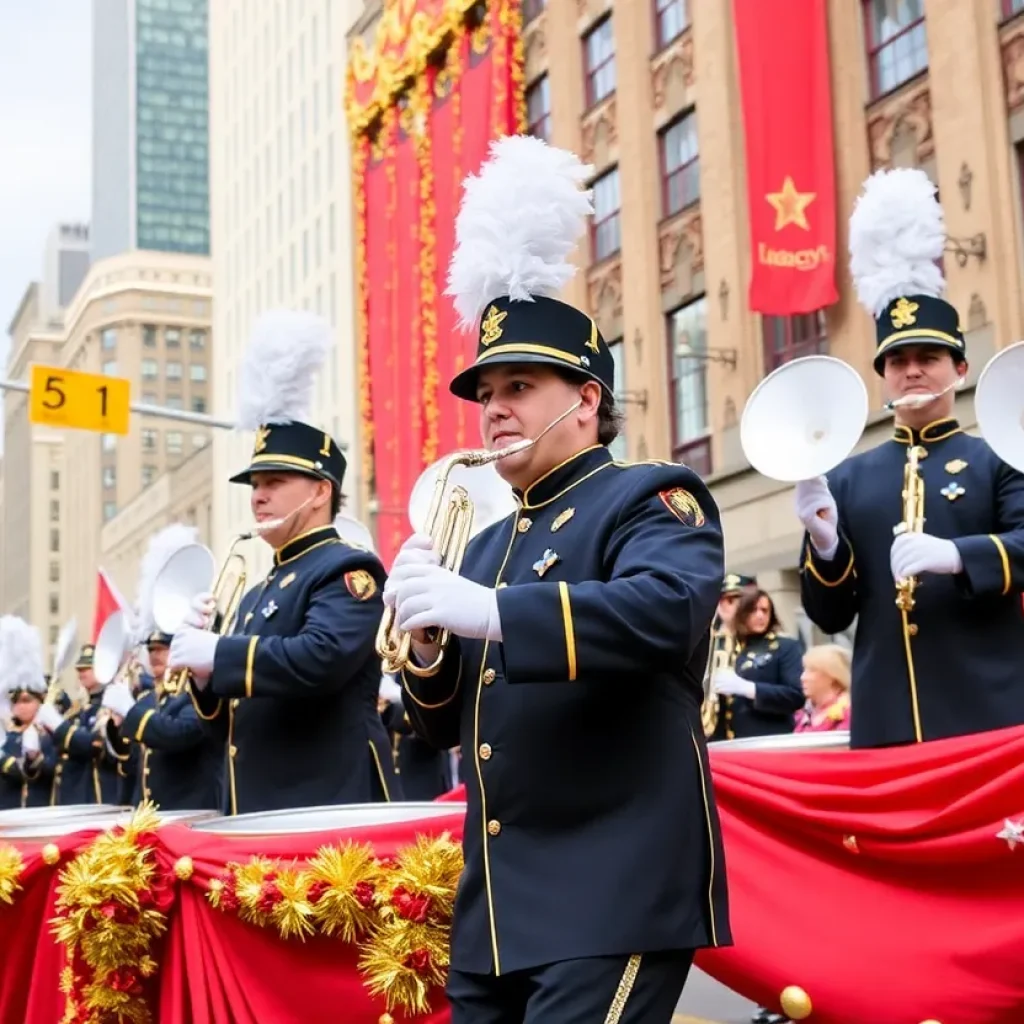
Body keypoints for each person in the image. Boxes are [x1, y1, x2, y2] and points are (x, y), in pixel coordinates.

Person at [387, 136, 730, 1023]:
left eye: (520, 386)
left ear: (585, 400)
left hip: (611, 886)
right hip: (499, 905)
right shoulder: (482, 540)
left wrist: (493, 610)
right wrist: (426, 643)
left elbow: (667, 613)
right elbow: (438, 728)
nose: (495, 407)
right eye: (486, 391)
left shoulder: (650, 495)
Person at [796, 167, 1024, 749]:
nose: (912, 370)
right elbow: (830, 612)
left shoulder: (996, 457)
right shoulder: (847, 477)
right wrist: (825, 544)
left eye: (928, 357)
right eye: (897, 361)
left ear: (960, 370)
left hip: (991, 712)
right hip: (888, 717)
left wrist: (960, 555)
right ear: (882, 378)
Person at [168, 310, 393, 815]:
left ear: (319, 491)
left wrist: (219, 652)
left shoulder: (346, 569)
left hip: (328, 806)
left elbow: (321, 659)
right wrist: (203, 676)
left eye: (273, 483)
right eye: (256, 486)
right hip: (261, 805)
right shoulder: (255, 593)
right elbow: (228, 725)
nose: (258, 497)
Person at [710, 587, 804, 740]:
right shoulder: (721, 646)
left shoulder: (784, 646)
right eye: (753, 610)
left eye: (765, 610)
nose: (760, 615)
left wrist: (750, 689)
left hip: (766, 740)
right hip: (723, 742)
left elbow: (796, 695)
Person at [33, 642, 119, 805]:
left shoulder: (109, 705)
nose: (81, 673)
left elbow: (94, 744)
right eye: (79, 668)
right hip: (71, 792)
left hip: (95, 793)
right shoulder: (77, 709)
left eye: (87, 668)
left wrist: (59, 727)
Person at [0, 616, 56, 810]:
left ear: (39, 702)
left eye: (26, 701)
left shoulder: (48, 734)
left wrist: (35, 758)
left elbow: (51, 769)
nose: (21, 707)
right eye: (16, 702)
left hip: (39, 814)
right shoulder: (8, 735)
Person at [794, 644, 851, 733]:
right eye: (804, 670)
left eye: (812, 670)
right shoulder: (802, 714)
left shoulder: (849, 713)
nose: (802, 678)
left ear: (832, 675)